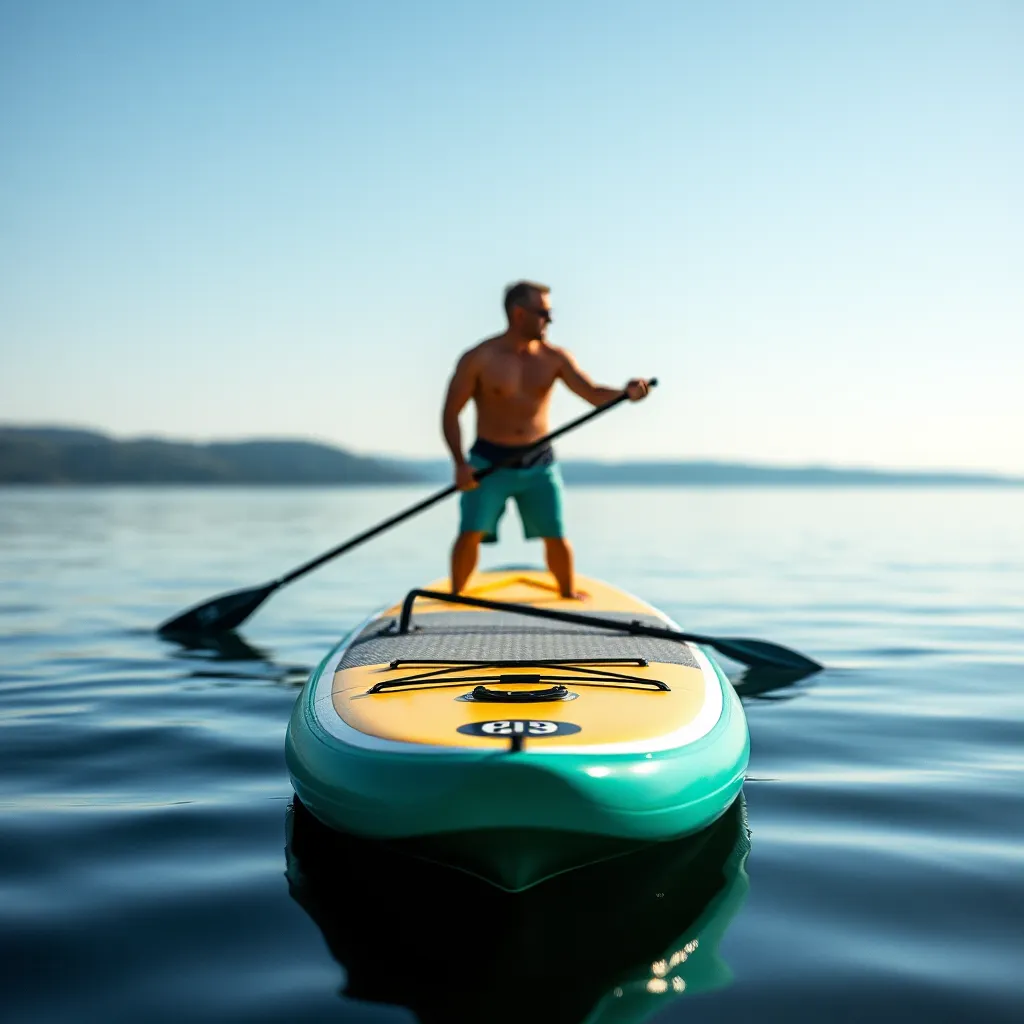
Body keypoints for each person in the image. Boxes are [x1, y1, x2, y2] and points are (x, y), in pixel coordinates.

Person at [441, 280, 651, 598]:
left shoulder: (555, 358)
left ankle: (567, 596)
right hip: (488, 463)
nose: (550, 320)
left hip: (539, 463)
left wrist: (625, 393)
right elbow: (450, 413)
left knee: (556, 535)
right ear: (519, 313)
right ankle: (455, 597)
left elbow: (593, 394)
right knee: (470, 533)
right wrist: (459, 464)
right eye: (544, 313)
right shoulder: (480, 357)